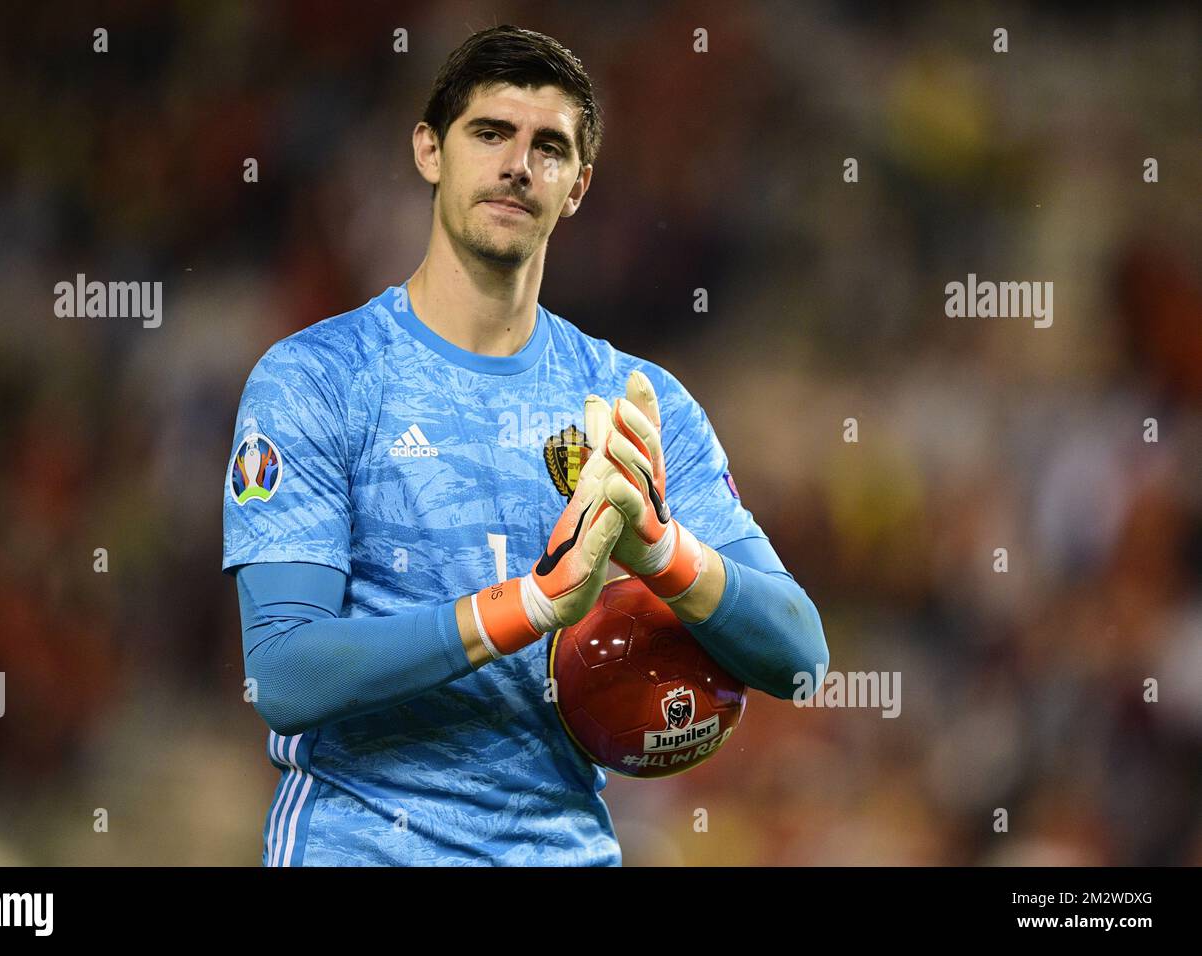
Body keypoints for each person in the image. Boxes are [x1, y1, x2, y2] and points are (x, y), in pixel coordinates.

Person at [222, 24, 828, 866]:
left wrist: (662, 552)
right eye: (490, 133)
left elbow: (801, 655)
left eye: (549, 147)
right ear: (429, 150)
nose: (518, 164)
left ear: (578, 187)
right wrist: (534, 605)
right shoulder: (317, 378)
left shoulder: (632, 403)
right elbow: (285, 674)